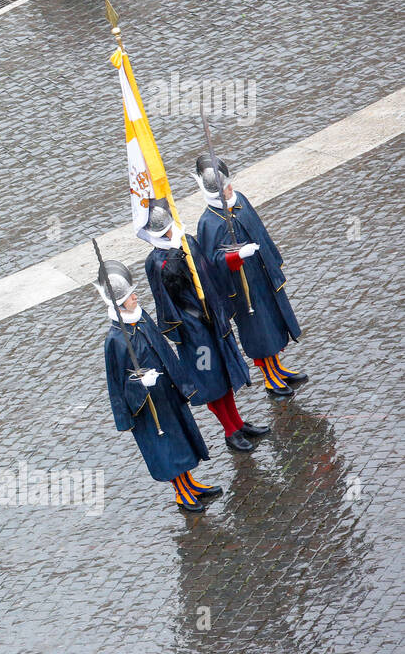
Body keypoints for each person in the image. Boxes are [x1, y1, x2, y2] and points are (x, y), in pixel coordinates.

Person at [142, 205, 269, 453]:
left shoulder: (187, 242)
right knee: (211, 380)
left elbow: (209, 273)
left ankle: (238, 422)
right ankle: (230, 431)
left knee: (224, 374)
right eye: (164, 233)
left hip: (213, 321)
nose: (170, 235)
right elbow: (168, 303)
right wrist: (195, 315)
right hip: (194, 334)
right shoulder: (157, 262)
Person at [99, 258, 219, 514]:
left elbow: (164, 350)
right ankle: (181, 492)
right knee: (168, 449)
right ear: (120, 304)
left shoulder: (142, 320)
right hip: (147, 404)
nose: (135, 298)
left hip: (167, 394)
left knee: (181, 440)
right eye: (130, 296)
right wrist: (140, 384)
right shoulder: (116, 341)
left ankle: (190, 483)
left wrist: (180, 383)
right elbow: (117, 383)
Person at [193, 156, 306, 400]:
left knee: (273, 323)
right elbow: (211, 263)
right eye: (224, 188)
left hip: (261, 275)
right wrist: (234, 257)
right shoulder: (208, 222)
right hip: (241, 287)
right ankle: (269, 376)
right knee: (258, 332)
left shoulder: (240, 201)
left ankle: (277, 367)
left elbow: (260, 231)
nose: (229, 188)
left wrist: (272, 261)